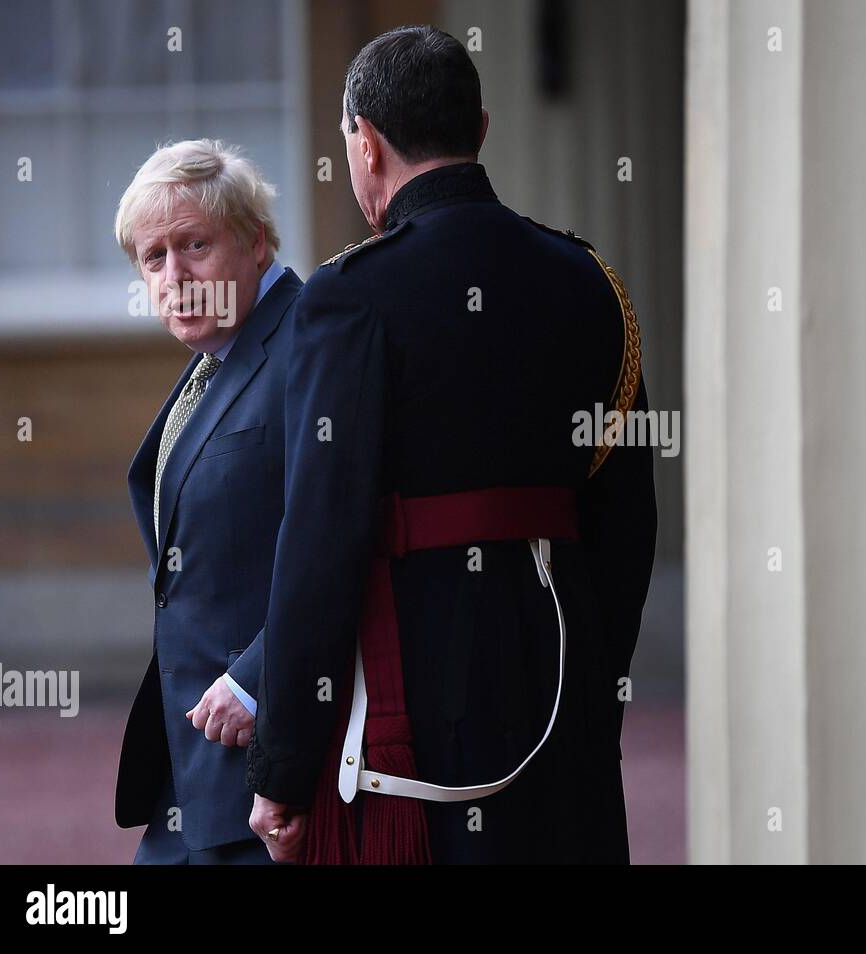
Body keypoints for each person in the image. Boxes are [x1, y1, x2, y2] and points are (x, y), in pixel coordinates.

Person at [246, 25, 657, 864]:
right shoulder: (590, 280)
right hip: (562, 685)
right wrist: (591, 692)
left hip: (418, 713)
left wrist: (283, 766)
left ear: (365, 143)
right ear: (481, 130)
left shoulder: (346, 297)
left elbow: (319, 543)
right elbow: (627, 523)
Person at [113, 139, 304, 863]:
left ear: (256, 242)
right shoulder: (214, 359)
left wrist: (256, 680)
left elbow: (349, 535)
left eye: (194, 244)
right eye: (152, 258)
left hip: (272, 774)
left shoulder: (311, 338)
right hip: (189, 777)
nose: (173, 276)